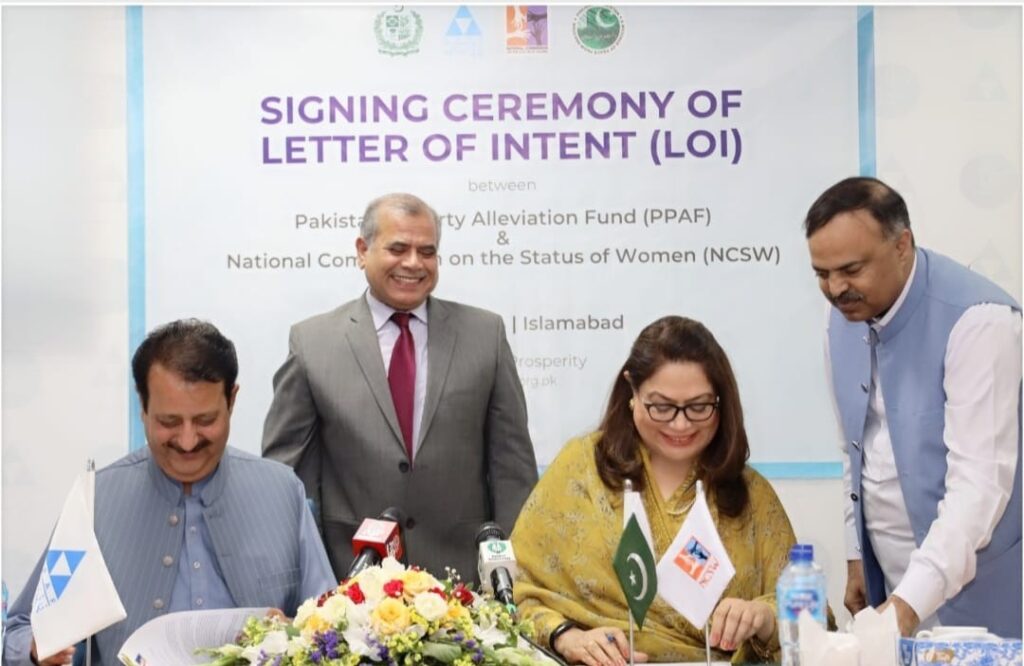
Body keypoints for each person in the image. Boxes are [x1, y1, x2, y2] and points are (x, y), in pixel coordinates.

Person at [3, 319, 336, 666]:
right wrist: (36, 650)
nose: (188, 441)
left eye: (205, 420)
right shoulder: (95, 502)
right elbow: (21, 630)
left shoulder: (283, 492)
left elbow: (330, 628)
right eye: (169, 422)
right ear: (143, 406)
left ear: (232, 400)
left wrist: (297, 637)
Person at [262, 193, 537, 582]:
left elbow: (513, 469)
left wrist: (512, 576)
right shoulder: (313, 342)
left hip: (465, 582)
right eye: (397, 249)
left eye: (427, 251)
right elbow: (285, 477)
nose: (413, 263)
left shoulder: (484, 335)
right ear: (362, 251)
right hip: (351, 583)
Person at [805, 176, 1022, 637]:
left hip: (980, 595)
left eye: (850, 269)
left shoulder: (980, 322)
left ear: (902, 244)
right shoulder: (840, 317)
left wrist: (907, 605)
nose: (836, 288)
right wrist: (856, 554)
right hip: (891, 588)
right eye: (822, 274)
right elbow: (853, 450)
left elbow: (979, 487)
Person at [511, 316, 798, 665]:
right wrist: (566, 636)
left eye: (699, 407)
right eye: (661, 406)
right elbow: (514, 590)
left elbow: (811, 617)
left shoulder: (750, 493)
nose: (680, 424)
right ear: (631, 392)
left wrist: (764, 617)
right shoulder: (582, 468)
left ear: (721, 402)